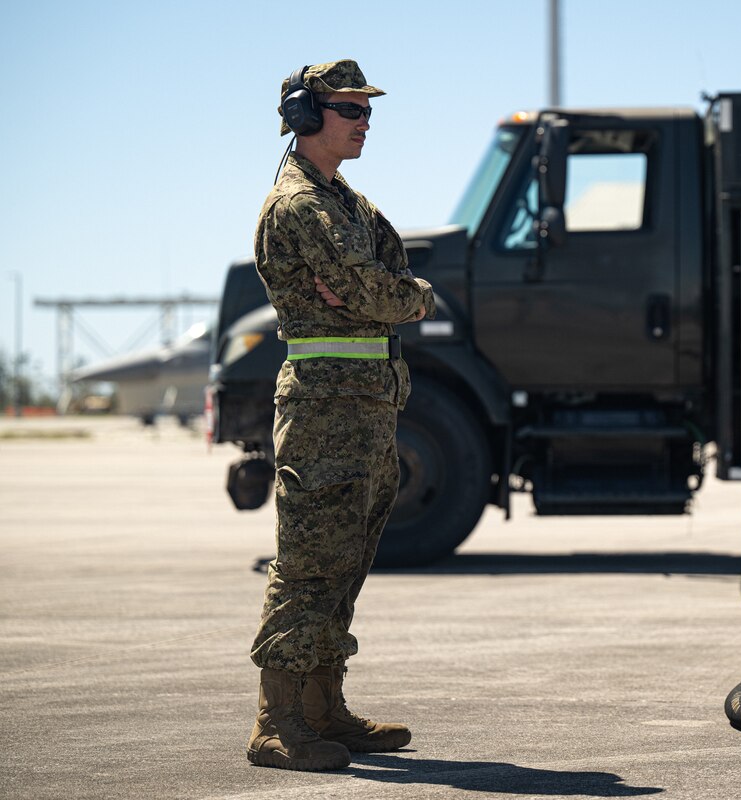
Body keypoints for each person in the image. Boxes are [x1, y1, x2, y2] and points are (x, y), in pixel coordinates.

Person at [246, 60, 436, 771]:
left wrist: (392, 290)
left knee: (347, 564)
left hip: (367, 404)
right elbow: (373, 292)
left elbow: (383, 282)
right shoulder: (300, 206)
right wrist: (396, 294)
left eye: (366, 110)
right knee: (308, 565)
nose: (364, 122)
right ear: (304, 116)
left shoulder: (349, 203)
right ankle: (278, 722)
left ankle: (325, 709)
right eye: (350, 109)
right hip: (324, 407)